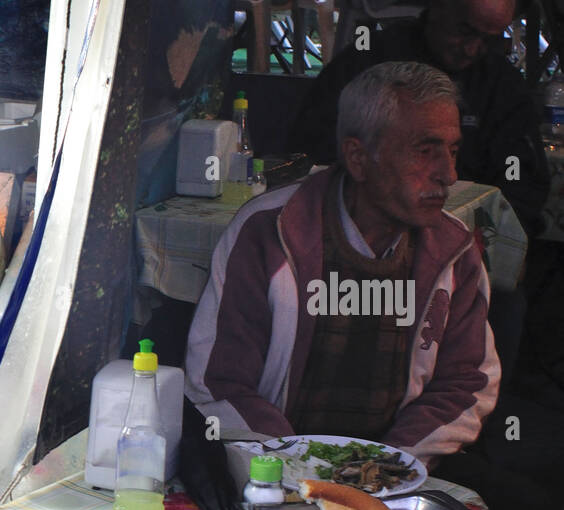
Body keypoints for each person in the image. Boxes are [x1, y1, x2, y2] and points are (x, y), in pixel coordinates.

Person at [187, 61, 499, 463]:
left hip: (398, 467)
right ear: (358, 156)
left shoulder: (454, 249)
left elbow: (466, 381)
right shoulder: (269, 231)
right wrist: (299, 464)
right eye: (425, 151)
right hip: (274, 467)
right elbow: (220, 381)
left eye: (453, 150)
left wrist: (390, 465)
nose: (449, 174)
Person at [288, 0, 547, 239]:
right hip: (363, 236)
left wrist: (498, 234)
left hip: (468, 240)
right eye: (465, 31)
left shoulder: (502, 85)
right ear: (438, 7)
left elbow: (521, 179)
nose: (471, 49)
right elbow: (312, 149)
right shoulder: (367, 61)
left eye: (489, 40)